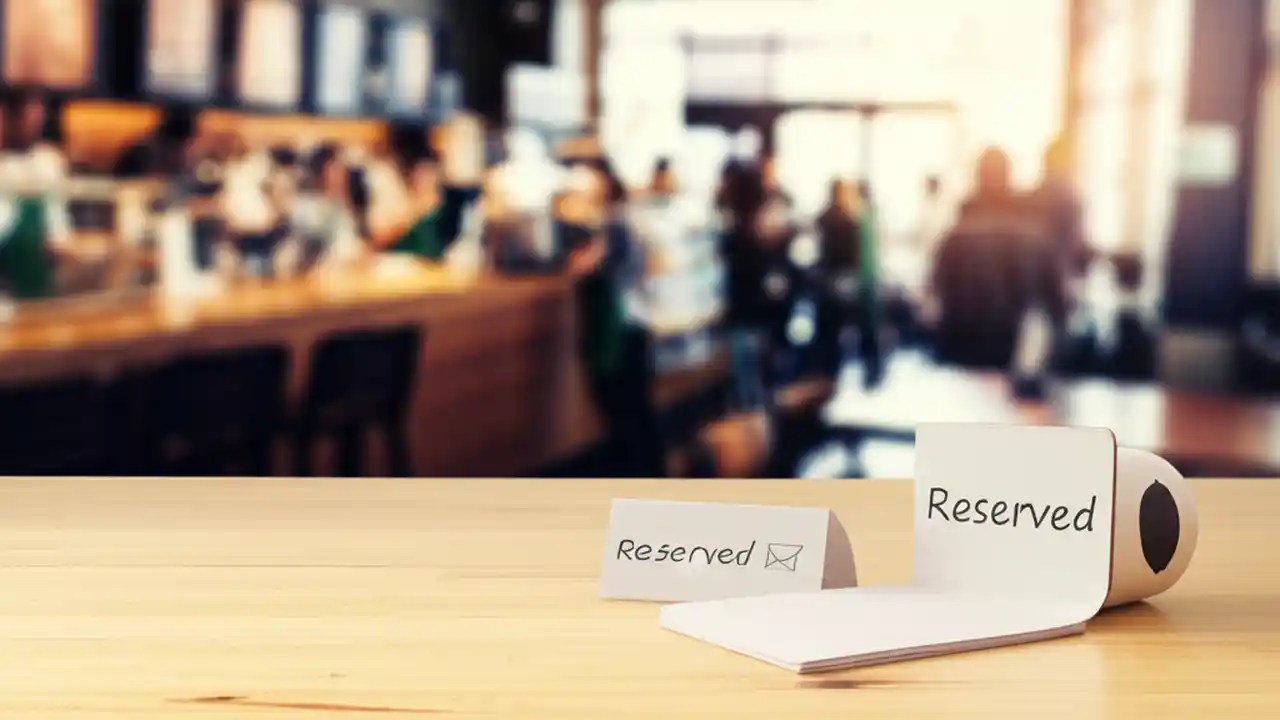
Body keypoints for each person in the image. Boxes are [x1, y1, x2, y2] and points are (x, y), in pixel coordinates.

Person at [560, 161, 665, 478]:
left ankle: (639, 488)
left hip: (619, 334)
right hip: (633, 328)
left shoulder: (614, 225)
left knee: (626, 418)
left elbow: (585, 268)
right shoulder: (624, 222)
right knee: (637, 417)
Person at [929, 148, 1064, 369]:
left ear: (977, 177)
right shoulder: (1031, 234)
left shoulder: (957, 235)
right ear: (1009, 176)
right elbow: (1055, 304)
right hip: (1009, 355)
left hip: (958, 354)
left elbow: (936, 293)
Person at [0, 90, 76, 300]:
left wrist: (62, 243)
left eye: (38, 116)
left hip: (40, 280)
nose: (33, 124)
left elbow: (57, 218)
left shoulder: (49, 161)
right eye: (26, 116)